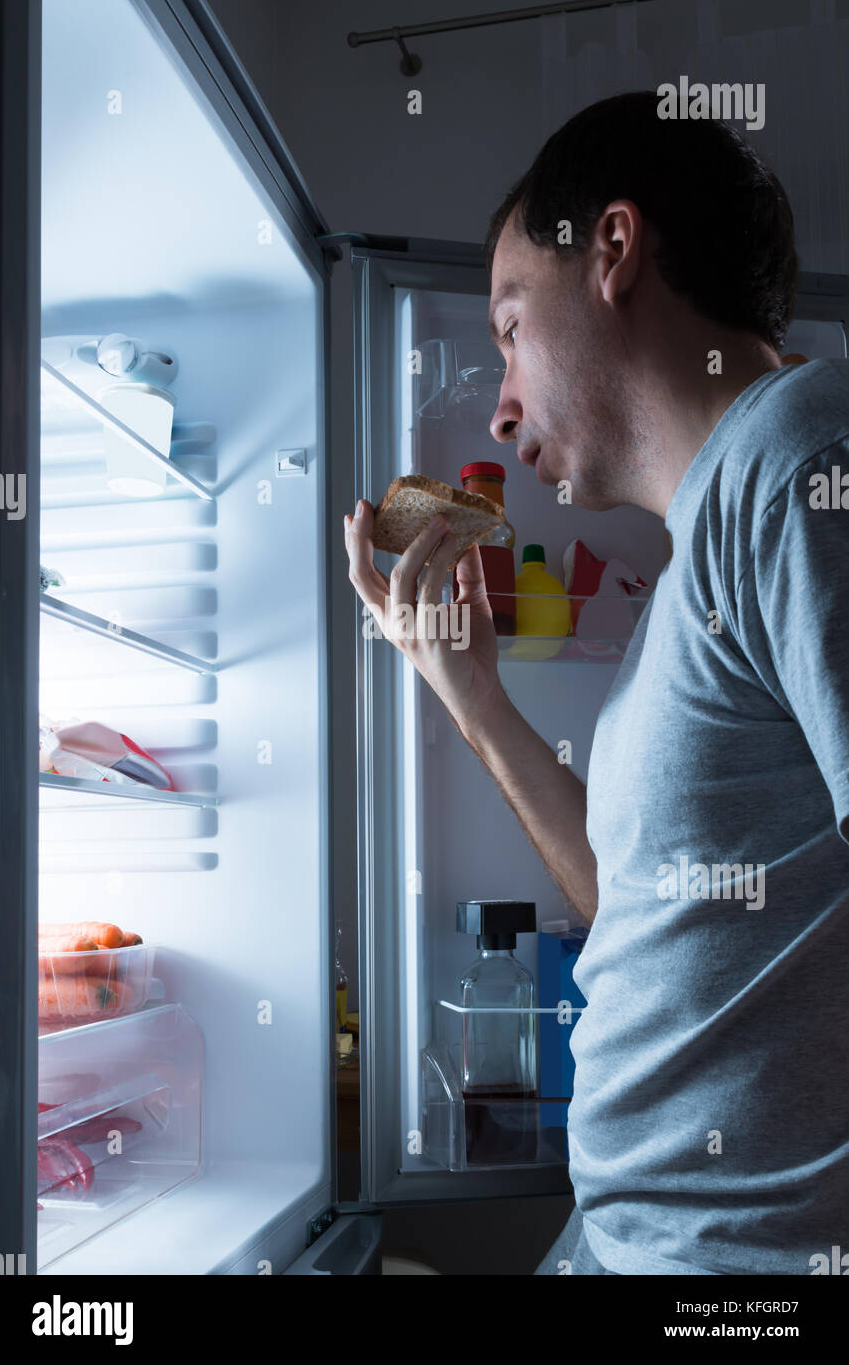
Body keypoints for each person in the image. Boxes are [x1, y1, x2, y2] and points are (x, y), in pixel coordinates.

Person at [344, 91, 849, 1276]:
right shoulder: (705, 550)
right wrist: (468, 695)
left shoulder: (798, 460)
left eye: (511, 326)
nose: (503, 399)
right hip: (632, 1239)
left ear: (613, 251)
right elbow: (636, 901)